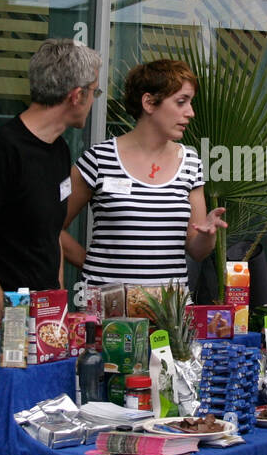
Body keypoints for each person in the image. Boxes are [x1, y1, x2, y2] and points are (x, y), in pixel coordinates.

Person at [0, 39, 101, 353]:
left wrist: (57, 306)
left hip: (44, 324)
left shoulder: (59, 150)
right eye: (95, 92)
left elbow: (50, 236)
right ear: (77, 95)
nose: (93, 101)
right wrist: (9, 327)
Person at [62, 58, 226, 286]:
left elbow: (197, 251)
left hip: (169, 314)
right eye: (181, 102)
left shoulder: (190, 163)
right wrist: (91, 265)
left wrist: (208, 235)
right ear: (149, 103)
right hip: (108, 315)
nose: (191, 113)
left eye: (190, 102)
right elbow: (51, 228)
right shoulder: (99, 159)